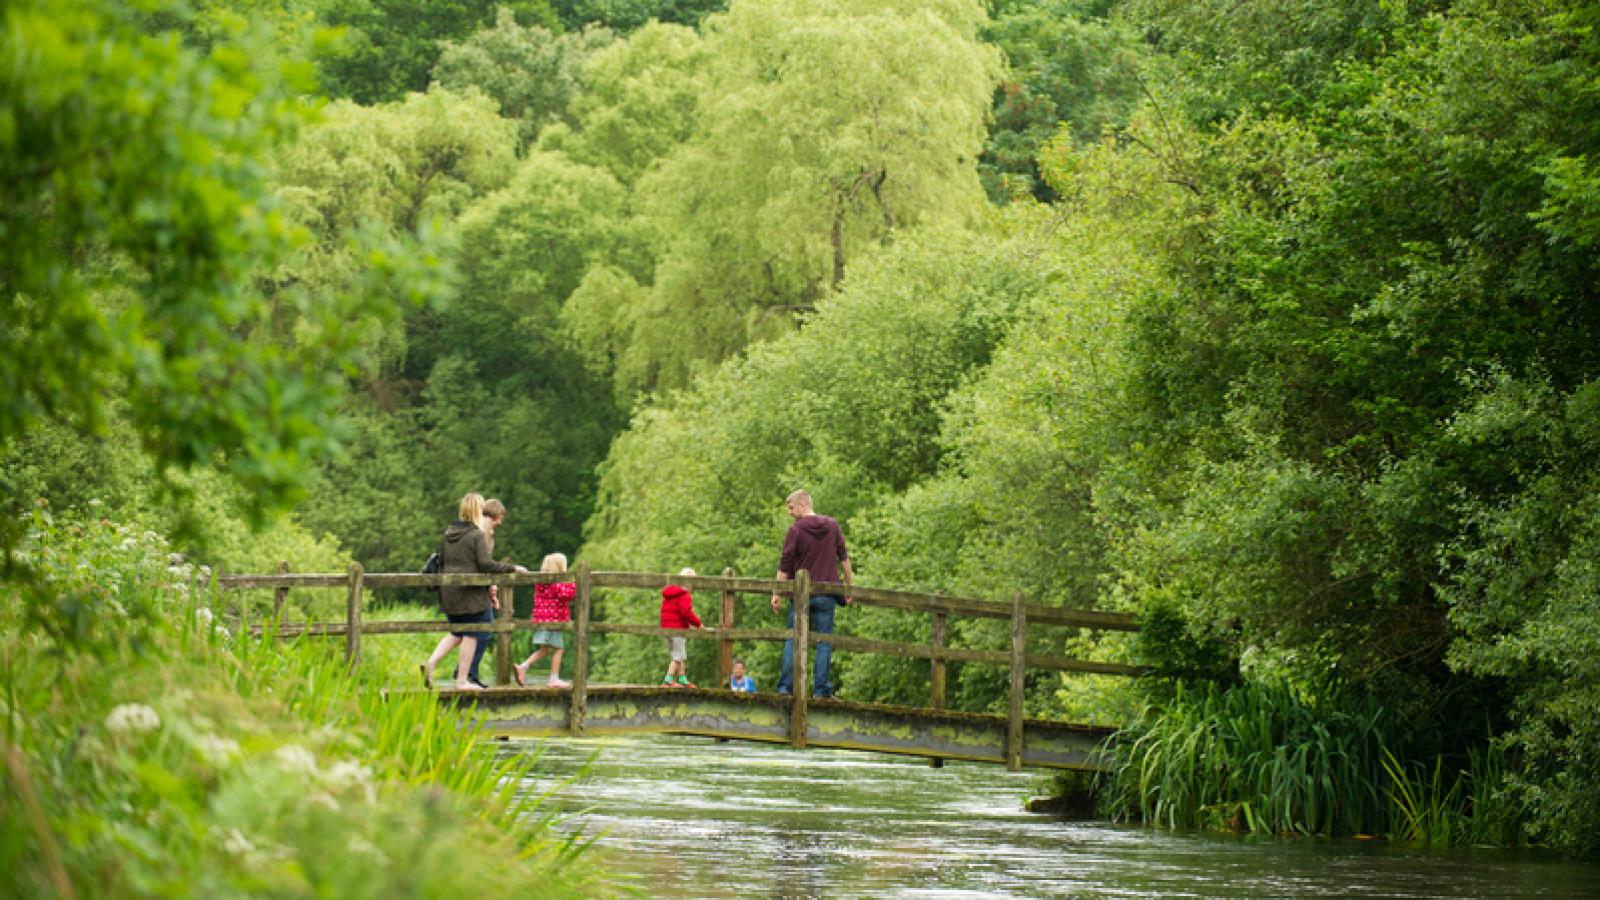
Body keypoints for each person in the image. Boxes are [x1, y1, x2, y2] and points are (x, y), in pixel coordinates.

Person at [420, 493, 527, 690]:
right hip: (470, 594)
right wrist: (512, 568)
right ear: (478, 510)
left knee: (456, 632)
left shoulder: (448, 535)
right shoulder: (476, 535)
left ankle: (431, 663)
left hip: (449, 593)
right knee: (473, 633)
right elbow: (485, 564)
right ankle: (462, 680)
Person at [770, 489, 853, 698]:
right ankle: (821, 690)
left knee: (793, 638)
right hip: (827, 594)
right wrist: (848, 587)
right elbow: (844, 559)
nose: (789, 513)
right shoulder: (832, 526)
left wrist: (776, 592)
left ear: (802, 505)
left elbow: (784, 564)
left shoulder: (795, 530)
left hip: (801, 596)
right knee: (824, 641)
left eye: (791, 508)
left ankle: (785, 688)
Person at [514, 552, 574, 688]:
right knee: (559, 649)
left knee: (544, 650)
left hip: (542, 620)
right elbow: (569, 594)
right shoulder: (554, 584)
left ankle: (522, 667)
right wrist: (576, 583)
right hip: (552, 620)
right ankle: (554, 679)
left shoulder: (542, 583)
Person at [660, 567, 704, 687]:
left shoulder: (670, 593)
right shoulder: (684, 594)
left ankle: (682, 678)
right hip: (677, 628)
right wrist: (698, 623)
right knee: (677, 656)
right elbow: (685, 612)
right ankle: (668, 679)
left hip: (667, 628)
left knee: (679, 654)